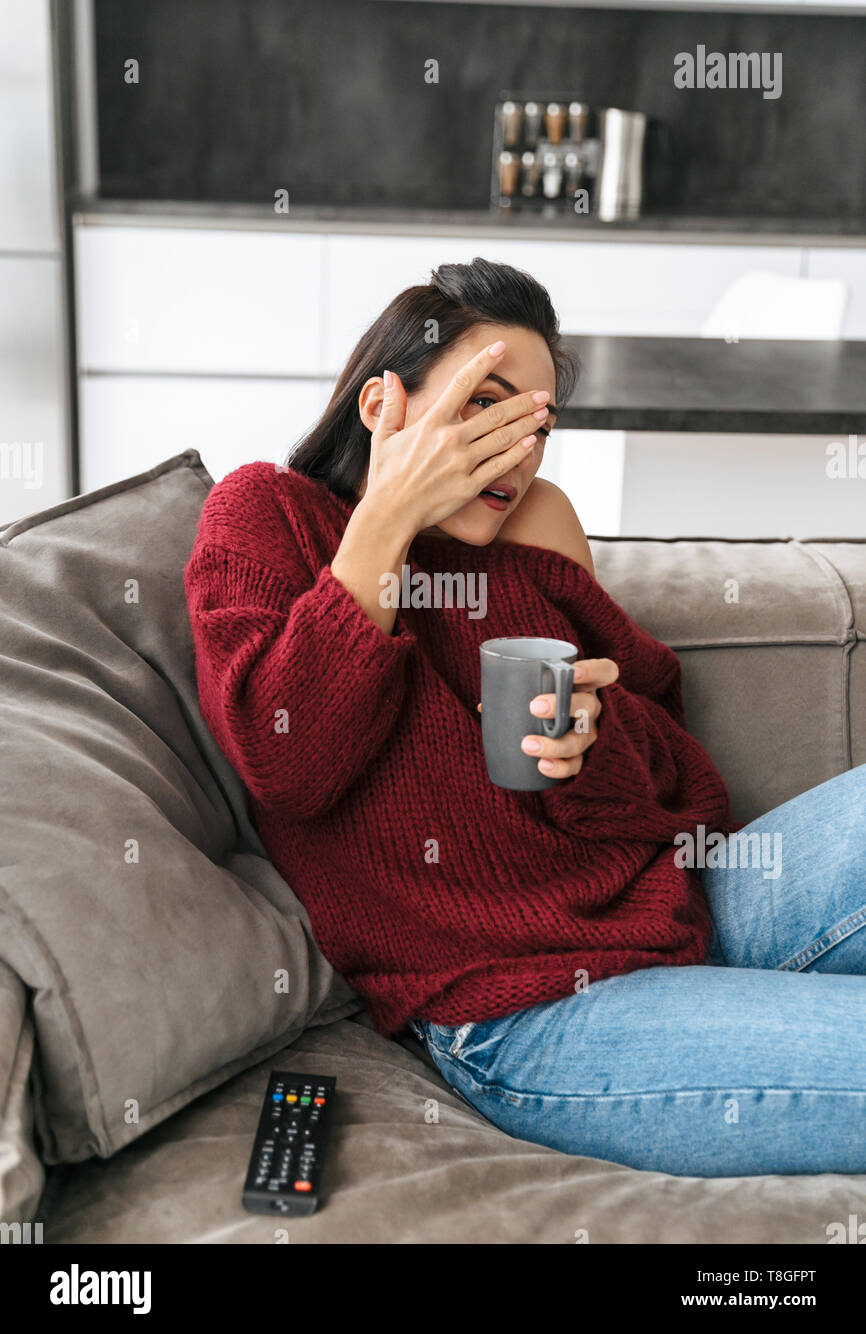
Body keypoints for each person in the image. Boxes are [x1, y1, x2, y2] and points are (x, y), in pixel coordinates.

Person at [185, 258, 866, 1178]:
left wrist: (593, 745)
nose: (516, 453)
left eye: (536, 428)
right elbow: (289, 762)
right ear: (383, 404)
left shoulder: (534, 527)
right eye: (484, 407)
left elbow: (679, 783)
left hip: (692, 902)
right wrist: (388, 519)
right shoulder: (268, 513)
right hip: (527, 1013)